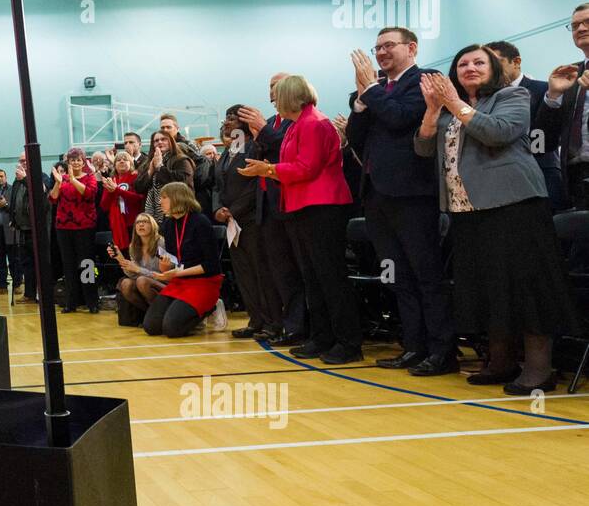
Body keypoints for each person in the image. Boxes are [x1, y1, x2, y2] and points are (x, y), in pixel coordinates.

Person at [415, 45, 578, 394]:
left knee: (527, 286)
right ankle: (500, 361)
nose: (470, 68)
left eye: (478, 62)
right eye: (462, 63)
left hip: (514, 205)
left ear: (494, 68)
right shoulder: (445, 110)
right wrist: (432, 110)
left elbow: (498, 133)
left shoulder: (511, 95)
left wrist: (454, 104)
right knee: (487, 287)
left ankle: (539, 369)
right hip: (467, 210)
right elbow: (423, 149)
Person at [345, 28, 456, 375]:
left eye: (388, 45)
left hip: (412, 194)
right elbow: (354, 136)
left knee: (426, 276)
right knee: (398, 278)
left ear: (412, 47)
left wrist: (372, 90)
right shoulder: (376, 90)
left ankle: (442, 351)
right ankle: (413, 346)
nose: (380, 52)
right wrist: (362, 101)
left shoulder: (426, 80)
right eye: (376, 47)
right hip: (376, 194)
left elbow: (399, 118)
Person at [240, 75, 363, 365]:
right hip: (301, 205)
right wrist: (269, 169)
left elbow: (306, 168)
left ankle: (348, 342)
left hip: (322, 206)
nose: (272, 99)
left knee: (330, 277)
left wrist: (267, 170)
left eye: (276, 94)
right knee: (313, 278)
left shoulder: (313, 123)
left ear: (288, 97)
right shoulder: (299, 124)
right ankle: (322, 337)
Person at [237, 74, 307, 345]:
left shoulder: (295, 120)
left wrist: (262, 132)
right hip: (265, 205)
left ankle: (298, 327)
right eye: (270, 86)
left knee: (294, 270)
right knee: (276, 271)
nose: (274, 90)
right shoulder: (269, 123)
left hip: (290, 204)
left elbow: (287, 155)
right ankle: (281, 324)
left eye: (278, 85)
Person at [214, 107, 282, 340]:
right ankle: (255, 319)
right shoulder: (228, 151)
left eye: (232, 119)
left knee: (261, 272)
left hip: (251, 219)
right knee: (243, 273)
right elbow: (218, 186)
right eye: (226, 118)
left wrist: (232, 211)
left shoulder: (254, 147)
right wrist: (217, 210)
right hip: (232, 223)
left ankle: (273, 322)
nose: (227, 122)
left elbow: (256, 186)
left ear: (244, 123)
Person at [488, 39, 566, 211]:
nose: (491, 69)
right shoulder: (486, 100)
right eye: (487, 64)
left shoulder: (545, 89)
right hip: (503, 184)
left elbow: (547, 138)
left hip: (543, 175)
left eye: (496, 62)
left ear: (516, 62)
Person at [143, 182, 224, 338]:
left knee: (171, 329)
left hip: (204, 282)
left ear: (177, 198)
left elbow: (212, 265)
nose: (160, 202)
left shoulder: (201, 222)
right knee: (151, 327)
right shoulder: (168, 224)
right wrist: (166, 268)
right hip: (180, 281)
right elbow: (176, 261)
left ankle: (211, 307)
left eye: (164, 197)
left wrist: (175, 273)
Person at [534, 2, 589, 210]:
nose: (581, 29)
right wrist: (552, 97)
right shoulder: (570, 75)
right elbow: (539, 144)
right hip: (576, 179)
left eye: (587, 22)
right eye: (575, 26)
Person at [49, 148, 100, 313]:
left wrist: (71, 179)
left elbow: (89, 194)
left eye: (79, 160)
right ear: (68, 162)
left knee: (87, 264)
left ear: (84, 161)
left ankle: (91, 301)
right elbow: (53, 198)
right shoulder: (62, 179)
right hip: (64, 227)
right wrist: (58, 182)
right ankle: (71, 302)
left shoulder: (90, 178)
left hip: (84, 227)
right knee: (68, 265)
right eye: (73, 160)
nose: (76, 163)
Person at [112, 212, 167, 327]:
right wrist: (120, 259)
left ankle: (160, 313)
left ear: (152, 225)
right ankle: (149, 313)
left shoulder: (161, 243)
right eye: (138, 222)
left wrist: (138, 269)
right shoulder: (133, 247)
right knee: (126, 283)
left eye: (145, 222)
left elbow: (163, 274)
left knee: (142, 281)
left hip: (165, 283)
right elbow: (134, 276)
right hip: (144, 282)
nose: (141, 225)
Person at [9, 152, 49, 302]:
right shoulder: (17, 181)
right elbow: (14, 199)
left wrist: (25, 178)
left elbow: (40, 192)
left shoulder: (41, 175)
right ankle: (29, 294)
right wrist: (13, 219)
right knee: (26, 263)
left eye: (26, 160)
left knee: (39, 262)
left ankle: (42, 293)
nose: (23, 163)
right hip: (22, 228)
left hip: (37, 228)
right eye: (21, 160)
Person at [141, 131, 195, 214]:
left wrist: (160, 166)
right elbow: (138, 187)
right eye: (156, 141)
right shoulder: (149, 162)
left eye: (163, 139)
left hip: (178, 209)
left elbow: (182, 182)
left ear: (171, 142)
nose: (159, 142)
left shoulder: (182, 160)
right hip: (153, 213)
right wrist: (150, 172)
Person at [100, 150, 143, 249]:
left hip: (134, 222)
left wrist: (117, 190)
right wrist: (110, 191)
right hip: (117, 223)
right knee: (122, 255)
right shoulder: (111, 180)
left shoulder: (136, 177)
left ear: (131, 163)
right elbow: (104, 206)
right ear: (114, 165)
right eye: (118, 160)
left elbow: (138, 198)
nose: (122, 161)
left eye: (125, 159)